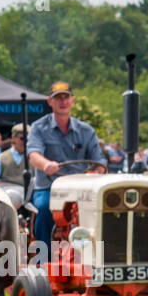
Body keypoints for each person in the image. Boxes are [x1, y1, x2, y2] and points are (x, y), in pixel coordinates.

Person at [27, 81, 105, 249]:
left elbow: (99, 161)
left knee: (103, 208)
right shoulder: (38, 128)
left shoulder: (86, 131)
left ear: (72, 100)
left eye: (66, 97)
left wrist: (98, 170)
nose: (63, 102)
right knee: (44, 208)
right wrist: (46, 164)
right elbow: (33, 154)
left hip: (81, 188)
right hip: (50, 186)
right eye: (58, 98)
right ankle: (43, 258)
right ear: (50, 101)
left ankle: (100, 256)